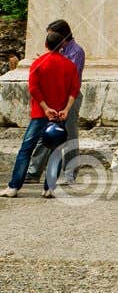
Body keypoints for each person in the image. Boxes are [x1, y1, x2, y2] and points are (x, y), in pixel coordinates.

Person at [2, 25, 81, 198]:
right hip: (59, 114)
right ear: (62, 46)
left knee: (26, 149)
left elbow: (34, 89)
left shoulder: (38, 63)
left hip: (40, 113)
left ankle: (14, 186)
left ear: (46, 44)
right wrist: (66, 109)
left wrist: (45, 108)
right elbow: (74, 90)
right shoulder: (69, 66)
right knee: (56, 151)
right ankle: (49, 188)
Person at [29, 20, 84, 186]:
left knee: (69, 134)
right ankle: (34, 171)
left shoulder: (76, 51)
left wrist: (50, 62)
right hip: (52, 95)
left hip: (69, 97)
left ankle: (69, 173)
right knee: (45, 133)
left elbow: (70, 74)